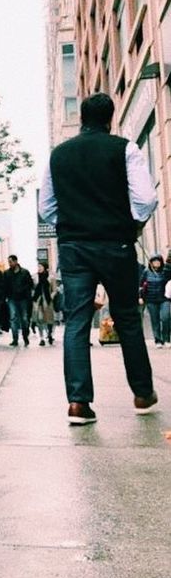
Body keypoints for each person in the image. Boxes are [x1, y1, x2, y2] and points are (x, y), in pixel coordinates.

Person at [38, 92, 158, 425]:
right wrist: (133, 225)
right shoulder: (126, 149)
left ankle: (78, 402)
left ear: (81, 120)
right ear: (110, 118)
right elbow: (146, 199)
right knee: (127, 318)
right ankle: (143, 393)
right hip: (115, 244)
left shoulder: (57, 156)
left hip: (74, 248)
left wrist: (72, 225)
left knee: (76, 322)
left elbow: (46, 208)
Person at [138, 254, 170, 348]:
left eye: (158, 261)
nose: (156, 263)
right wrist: (140, 297)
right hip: (151, 300)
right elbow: (141, 285)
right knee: (155, 320)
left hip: (164, 299)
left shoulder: (165, 271)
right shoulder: (146, 272)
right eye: (154, 261)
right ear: (151, 263)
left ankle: (166, 338)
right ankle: (158, 340)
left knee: (166, 318)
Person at [3, 254, 34, 347]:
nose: (9, 264)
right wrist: (6, 297)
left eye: (11, 262)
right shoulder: (7, 273)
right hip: (12, 299)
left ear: (16, 261)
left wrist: (25, 291)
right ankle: (15, 339)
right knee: (13, 318)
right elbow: (4, 286)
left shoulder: (25, 272)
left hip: (23, 299)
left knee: (24, 318)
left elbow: (30, 284)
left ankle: (25, 337)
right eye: (8, 262)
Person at [32, 261, 55, 345]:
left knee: (49, 320)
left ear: (45, 267)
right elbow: (33, 288)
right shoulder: (35, 277)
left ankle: (49, 334)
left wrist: (51, 297)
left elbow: (54, 290)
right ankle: (41, 338)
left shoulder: (51, 277)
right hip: (38, 301)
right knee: (39, 319)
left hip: (48, 301)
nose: (39, 268)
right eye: (38, 267)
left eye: (40, 267)